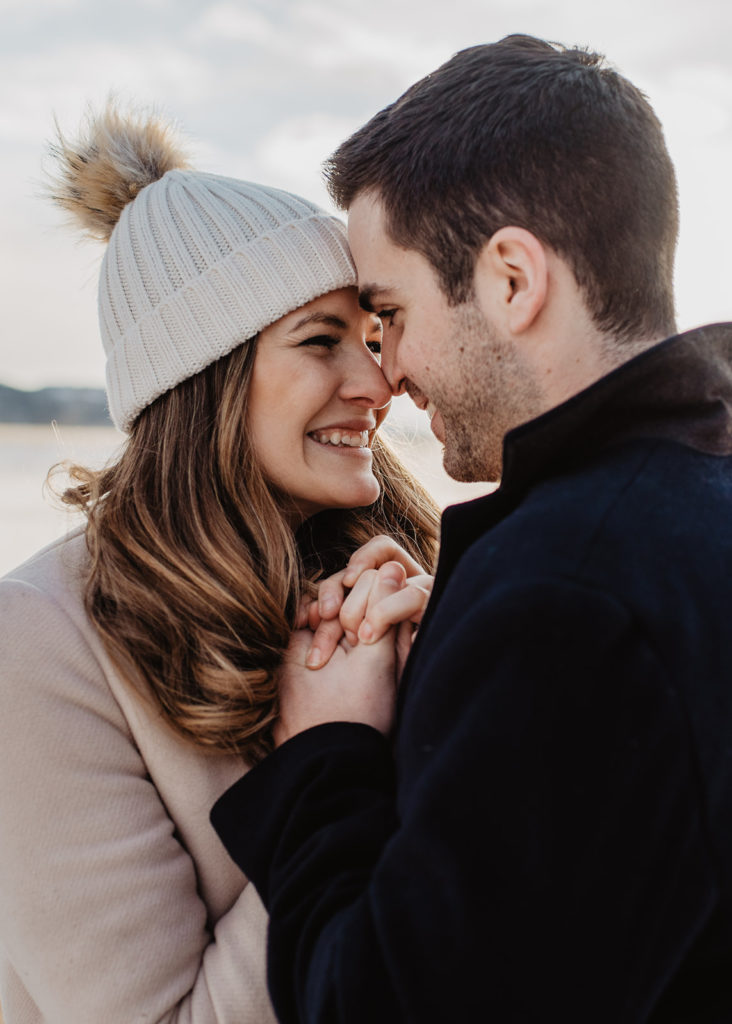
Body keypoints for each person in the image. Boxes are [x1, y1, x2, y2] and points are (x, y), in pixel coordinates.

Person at [209, 34, 732, 1023]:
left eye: (391, 314)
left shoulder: (565, 596)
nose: (387, 372)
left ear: (511, 280)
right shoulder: (695, 506)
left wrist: (329, 753)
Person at [0, 104, 439, 1023]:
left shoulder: (396, 575)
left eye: (371, 336)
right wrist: (333, 761)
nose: (378, 382)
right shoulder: (38, 643)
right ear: (205, 377)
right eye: (320, 340)